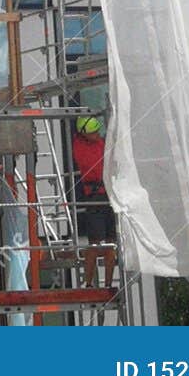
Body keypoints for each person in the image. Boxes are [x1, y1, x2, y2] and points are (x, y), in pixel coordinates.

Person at [71, 114, 117, 287]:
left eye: (98, 131)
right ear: (83, 134)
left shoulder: (101, 143)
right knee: (95, 243)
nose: (97, 135)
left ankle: (108, 284)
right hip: (95, 197)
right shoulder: (79, 147)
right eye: (93, 133)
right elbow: (95, 168)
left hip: (108, 195)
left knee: (111, 243)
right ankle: (88, 283)